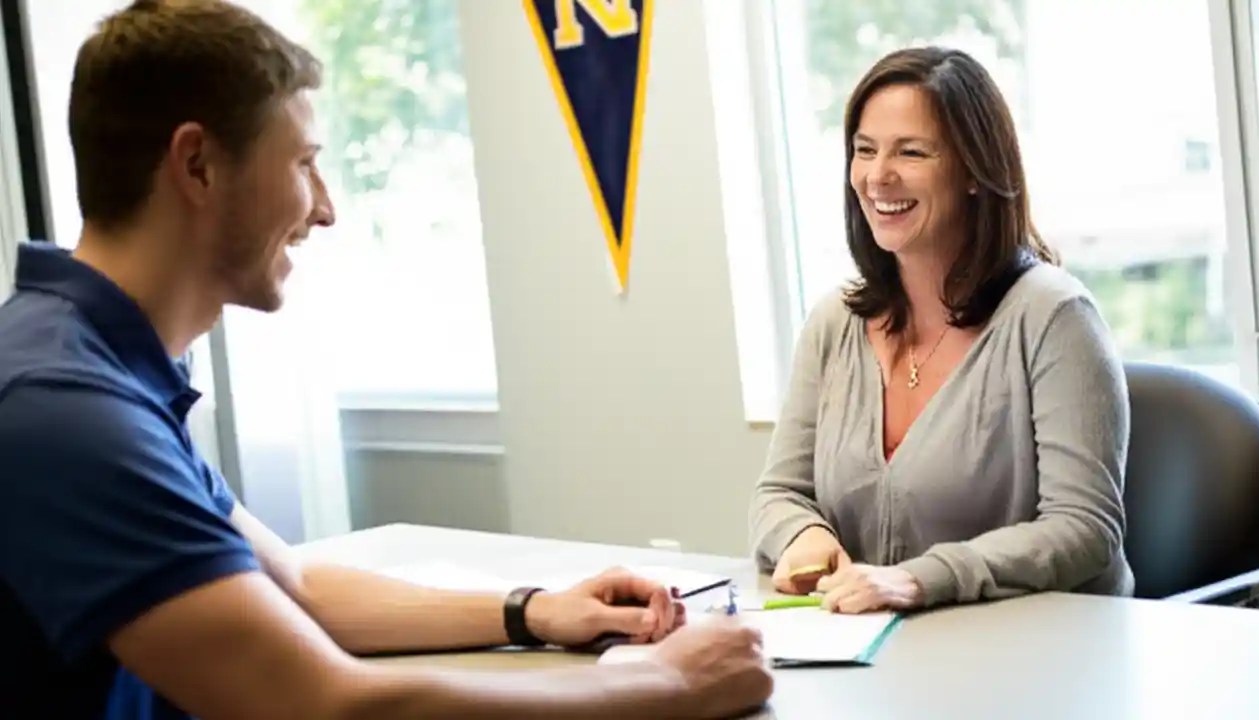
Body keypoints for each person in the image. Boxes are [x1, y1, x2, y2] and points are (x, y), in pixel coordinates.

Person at [0, 1, 771, 718]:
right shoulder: (65, 410)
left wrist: (535, 609)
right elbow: (324, 704)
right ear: (197, 164)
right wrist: (665, 683)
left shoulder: (96, 371)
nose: (325, 208)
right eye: (303, 164)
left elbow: (292, 587)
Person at [748, 46, 1134, 615]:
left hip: (1042, 658)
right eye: (864, 150)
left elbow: (1084, 530)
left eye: (912, 151)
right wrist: (800, 535)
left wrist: (919, 580)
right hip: (877, 656)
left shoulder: (1055, 317)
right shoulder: (835, 322)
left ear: (975, 172)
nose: (878, 176)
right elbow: (779, 493)